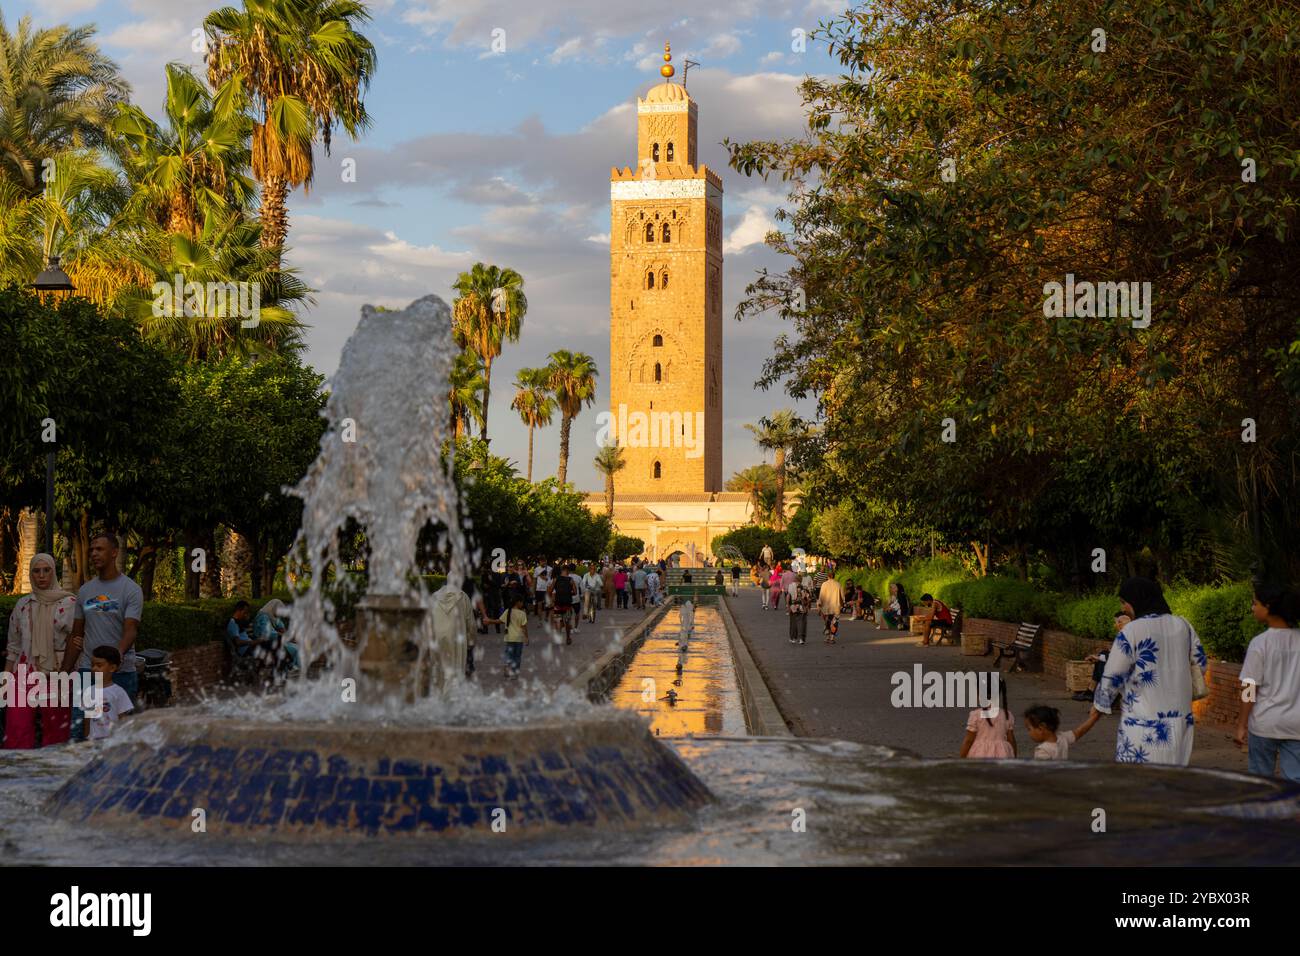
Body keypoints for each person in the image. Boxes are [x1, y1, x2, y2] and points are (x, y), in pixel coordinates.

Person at [1093, 576, 1205, 766]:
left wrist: (1099, 705)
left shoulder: (1132, 631)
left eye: (1124, 602)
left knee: (1139, 785)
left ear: (1137, 600)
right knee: (1171, 782)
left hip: (1142, 724)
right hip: (1181, 723)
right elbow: (1200, 664)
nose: (1123, 608)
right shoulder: (1183, 625)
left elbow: (1113, 675)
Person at [63, 533, 143, 742]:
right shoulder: (85, 591)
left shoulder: (131, 589)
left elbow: (131, 629)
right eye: (91, 550)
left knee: (119, 737)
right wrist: (62, 673)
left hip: (120, 674)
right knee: (79, 733)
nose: (93, 553)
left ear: (114, 552)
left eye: (100, 549)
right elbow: (76, 634)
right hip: (88, 674)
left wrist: (117, 654)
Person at [3, 553, 76, 749]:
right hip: (24, 672)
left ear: (53, 572)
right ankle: (18, 774)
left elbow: (76, 642)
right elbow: (13, 646)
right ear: (31, 574)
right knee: (16, 727)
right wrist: (5, 679)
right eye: (36, 571)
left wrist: (66, 675)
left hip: (57, 673)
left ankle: (50, 774)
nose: (41, 575)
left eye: (46, 570)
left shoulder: (68, 604)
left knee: (56, 730)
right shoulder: (23, 605)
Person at [1236, 583, 1300, 782]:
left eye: (1255, 603)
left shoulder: (1260, 643)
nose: (1253, 608)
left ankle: (1265, 813)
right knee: (1295, 782)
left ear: (1269, 607)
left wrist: (1241, 724)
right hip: (1296, 725)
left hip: (1265, 724)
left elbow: (1249, 687)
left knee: (1261, 783)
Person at [1072, 612, 1129, 701]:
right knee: (1102, 655)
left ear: (1122, 623)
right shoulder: (1123, 635)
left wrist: (1099, 658)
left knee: (1101, 661)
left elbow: (1119, 656)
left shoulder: (1126, 636)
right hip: (1118, 665)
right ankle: (1092, 692)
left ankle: (1093, 692)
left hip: (1122, 668)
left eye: (1116, 622)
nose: (1114, 625)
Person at [81, 646, 133, 741]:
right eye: (92, 665)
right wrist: (86, 737)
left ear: (112, 668)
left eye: (99, 665)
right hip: (94, 740)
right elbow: (87, 718)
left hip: (113, 740)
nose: (94, 669)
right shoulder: (88, 691)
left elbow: (123, 719)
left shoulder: (118, 692)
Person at [959, 679, 1016, 758]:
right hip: (1002, 754)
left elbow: (969, 740)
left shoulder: (976, 715)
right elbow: (1011, 740)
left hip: (979, 754)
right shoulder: (1007, 715)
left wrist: (961, 758)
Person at [431, 581, 474, 684]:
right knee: (456, 670)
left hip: (437, 637)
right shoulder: (463, 597)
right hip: (456, 637)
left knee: (439, 670)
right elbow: (471, 624)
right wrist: (471, 640)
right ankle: (451, 696)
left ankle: (440, 696)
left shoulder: (434, 597)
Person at [1024, 704, 1100, 760]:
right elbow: (1080, 731)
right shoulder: (1062, 737)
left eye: (1029, 729)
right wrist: (1094, 717)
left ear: (1041, 727)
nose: (1029, 733)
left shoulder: (1042, 751)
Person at [485, 595, 529, 680]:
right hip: (519, 639)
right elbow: (524, 627)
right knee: (517, 656)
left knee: (509, 655)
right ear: (518, 602)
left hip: (509, 638)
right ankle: (515, 672)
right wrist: (526, 637)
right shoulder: (522, 613)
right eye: (522, 602)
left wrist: (490, 621)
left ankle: (506, 670)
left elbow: (499, 621)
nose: (522, 604)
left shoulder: (508, 611)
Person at [251, 598, 300, 672]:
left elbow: (281, 627)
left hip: (274, 641)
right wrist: (285, 636)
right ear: (274, 607)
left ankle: (294, 667)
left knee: (297, 646)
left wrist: (290, 637)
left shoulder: (272, 615)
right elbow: (268, 633)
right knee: (295, 649)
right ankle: (292, 667)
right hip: (263, 643)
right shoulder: (263, 616)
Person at [550, 564, 576, 645]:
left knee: (558, 621)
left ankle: (558, 637)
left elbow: (550, 590)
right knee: (567, 621)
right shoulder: (571, 580)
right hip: (567, 604)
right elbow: (575, 592)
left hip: (557, 603)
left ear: (561, 570)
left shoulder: (555, 579)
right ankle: (568, 637)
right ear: (567, 571)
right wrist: (569, 593)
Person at [818, 574, 845, 644]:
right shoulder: (838, 584)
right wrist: (843, 604)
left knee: (827, 622)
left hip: (826, 607)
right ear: (834, 576)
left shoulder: (824, 584)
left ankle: (827, 637)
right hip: (836, 607)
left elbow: (821, 595)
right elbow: (842, 596)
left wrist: (819, 605)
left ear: (828, 577)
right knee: (835, 622)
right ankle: (832, 637)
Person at [788, 579, 810, 645]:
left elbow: (788, 597)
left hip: (793, 607)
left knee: (793, 623)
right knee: (802, 623)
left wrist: (788, 606)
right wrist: (807, 607)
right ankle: (801, 639)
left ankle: (793, 638)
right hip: (802, 608)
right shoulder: (804, 589)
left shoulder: (791, 587)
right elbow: (808, 599)